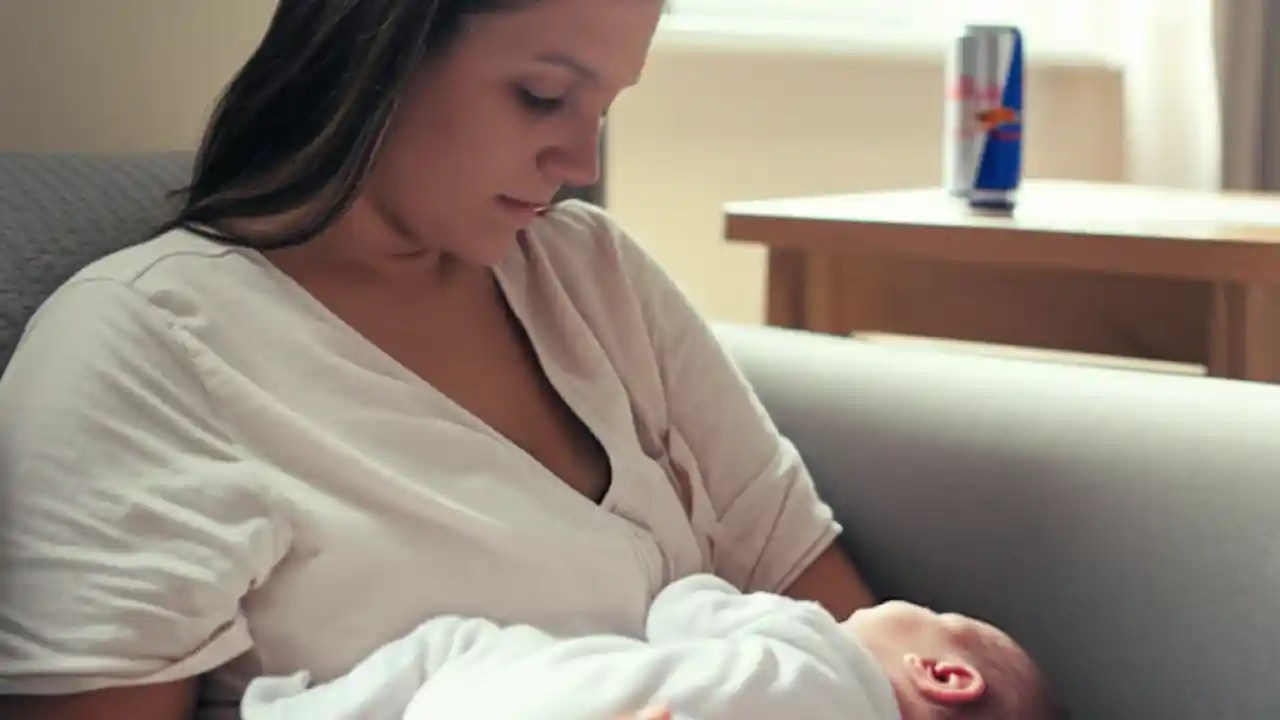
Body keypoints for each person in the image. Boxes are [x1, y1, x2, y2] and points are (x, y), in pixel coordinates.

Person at [0, 1, 879, 718]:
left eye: (603, 107)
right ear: (378, 50)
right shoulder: (145, 349)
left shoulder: (592, 273)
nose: (580, 160)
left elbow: (850, 631)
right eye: (542, 95)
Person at [238, 575, 1061, 720]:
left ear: (941, 673)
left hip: (486, 700)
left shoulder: (811, 643)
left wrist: (710, 595)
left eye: (923, 610)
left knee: (460, 644)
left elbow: (683, 608)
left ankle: (291, 710)